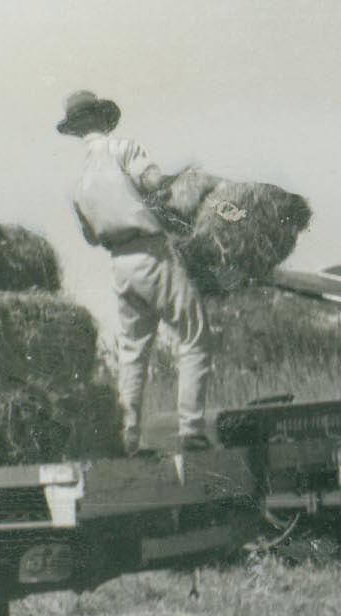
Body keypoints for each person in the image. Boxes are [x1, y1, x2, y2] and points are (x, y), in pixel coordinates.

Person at [57, 89, 211, 454]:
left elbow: (92, 238)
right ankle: (191, 430)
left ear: (78, 129)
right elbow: (156, 183)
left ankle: (128, 436)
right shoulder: (123, 149)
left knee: (132, 352)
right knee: (194, 335)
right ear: (101, 119)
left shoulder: (77, 182)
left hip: (119, 265)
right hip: (152, 252)